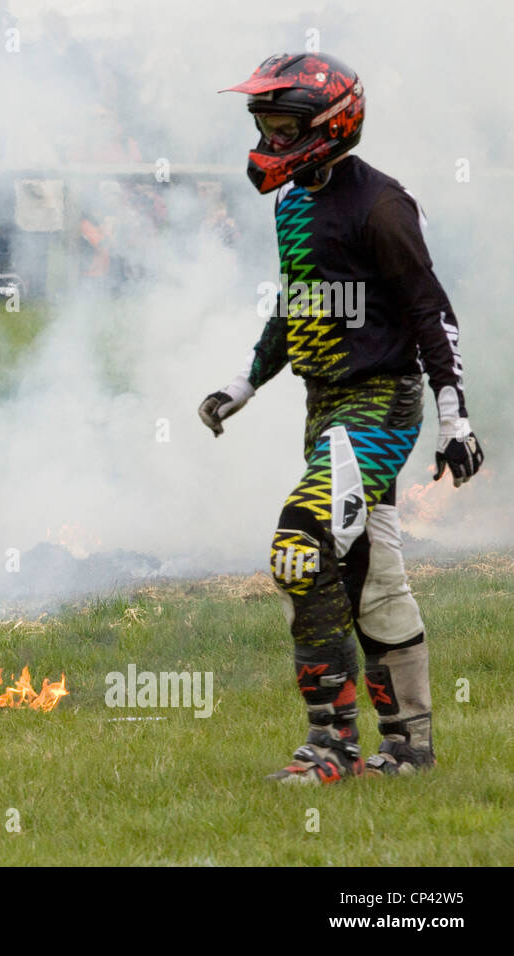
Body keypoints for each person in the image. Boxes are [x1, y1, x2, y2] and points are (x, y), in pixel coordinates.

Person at [200, 53, 485, 784]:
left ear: (330, 126)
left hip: (381, 405)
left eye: (283, 125)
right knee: (370, 573)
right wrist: (246, 381)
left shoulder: (381, 205)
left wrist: (454, 419)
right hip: (323, 408)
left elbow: (431, 312)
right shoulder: (292, 202)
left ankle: (329, 745)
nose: (268, 139)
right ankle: (410, 748)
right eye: (264, 123)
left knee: (301, 543)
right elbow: (297, 303)